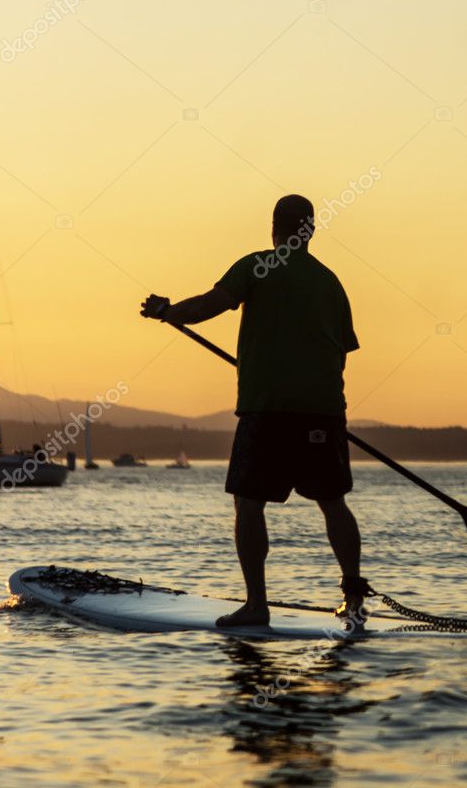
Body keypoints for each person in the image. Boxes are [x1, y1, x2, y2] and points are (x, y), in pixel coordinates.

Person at [140, 194, 370, 628]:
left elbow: (209, 305)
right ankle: (353, 599)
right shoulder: (331, 282)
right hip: (324, 412)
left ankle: (256, 605)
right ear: (312, 230)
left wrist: (167, 312)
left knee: (248, 504)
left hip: (269, 412)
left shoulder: (258, 265)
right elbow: (342, 352)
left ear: (273, 227)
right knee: (332, 502)